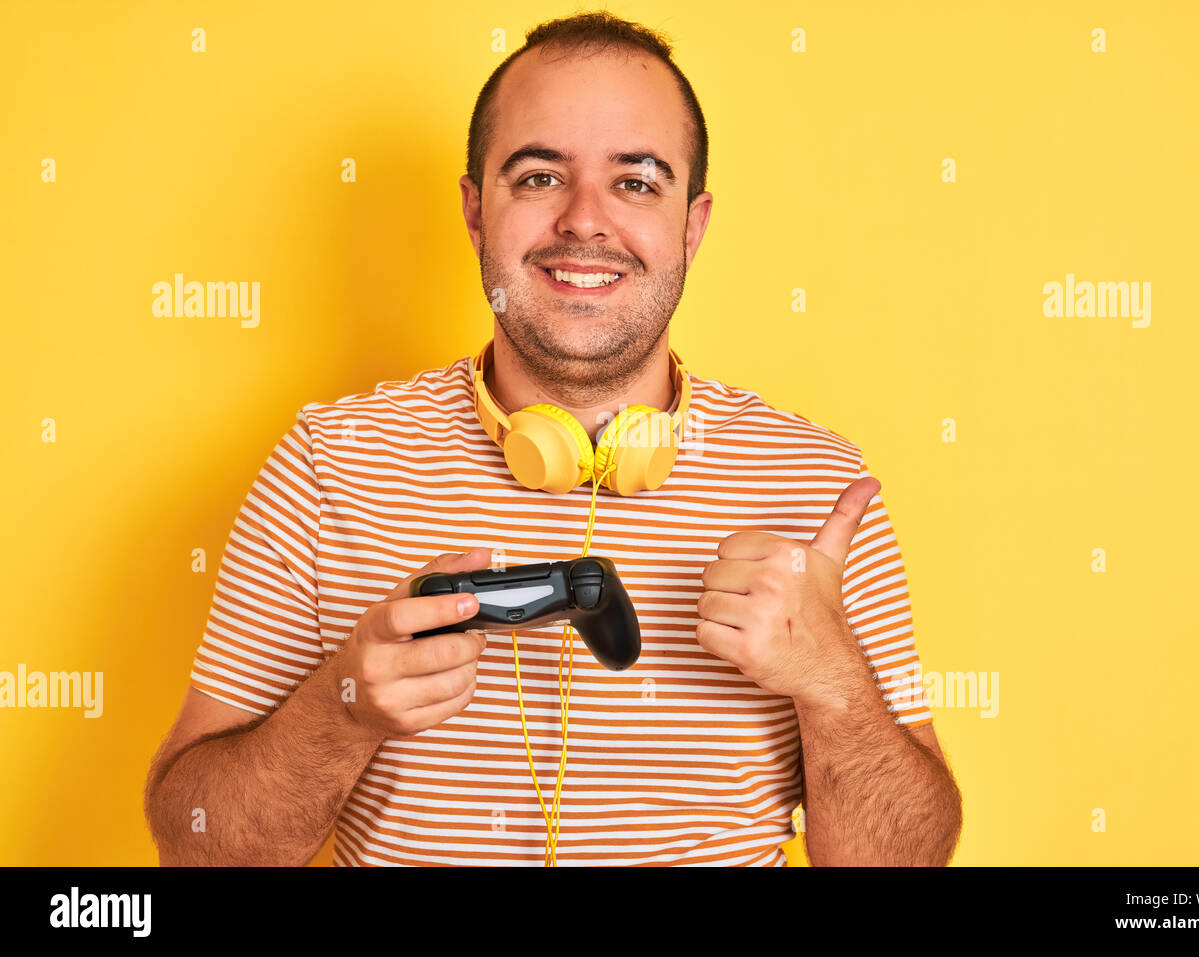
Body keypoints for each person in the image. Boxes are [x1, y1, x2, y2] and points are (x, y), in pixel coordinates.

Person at [144, 10, 961, 866]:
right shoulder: (329, 462)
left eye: (636, 182)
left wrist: (834, 684)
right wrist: (341, 710)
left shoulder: (815, 485)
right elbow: (197, 851)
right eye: (539, 177)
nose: (584, 221)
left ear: (692, 224)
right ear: (475, 211)